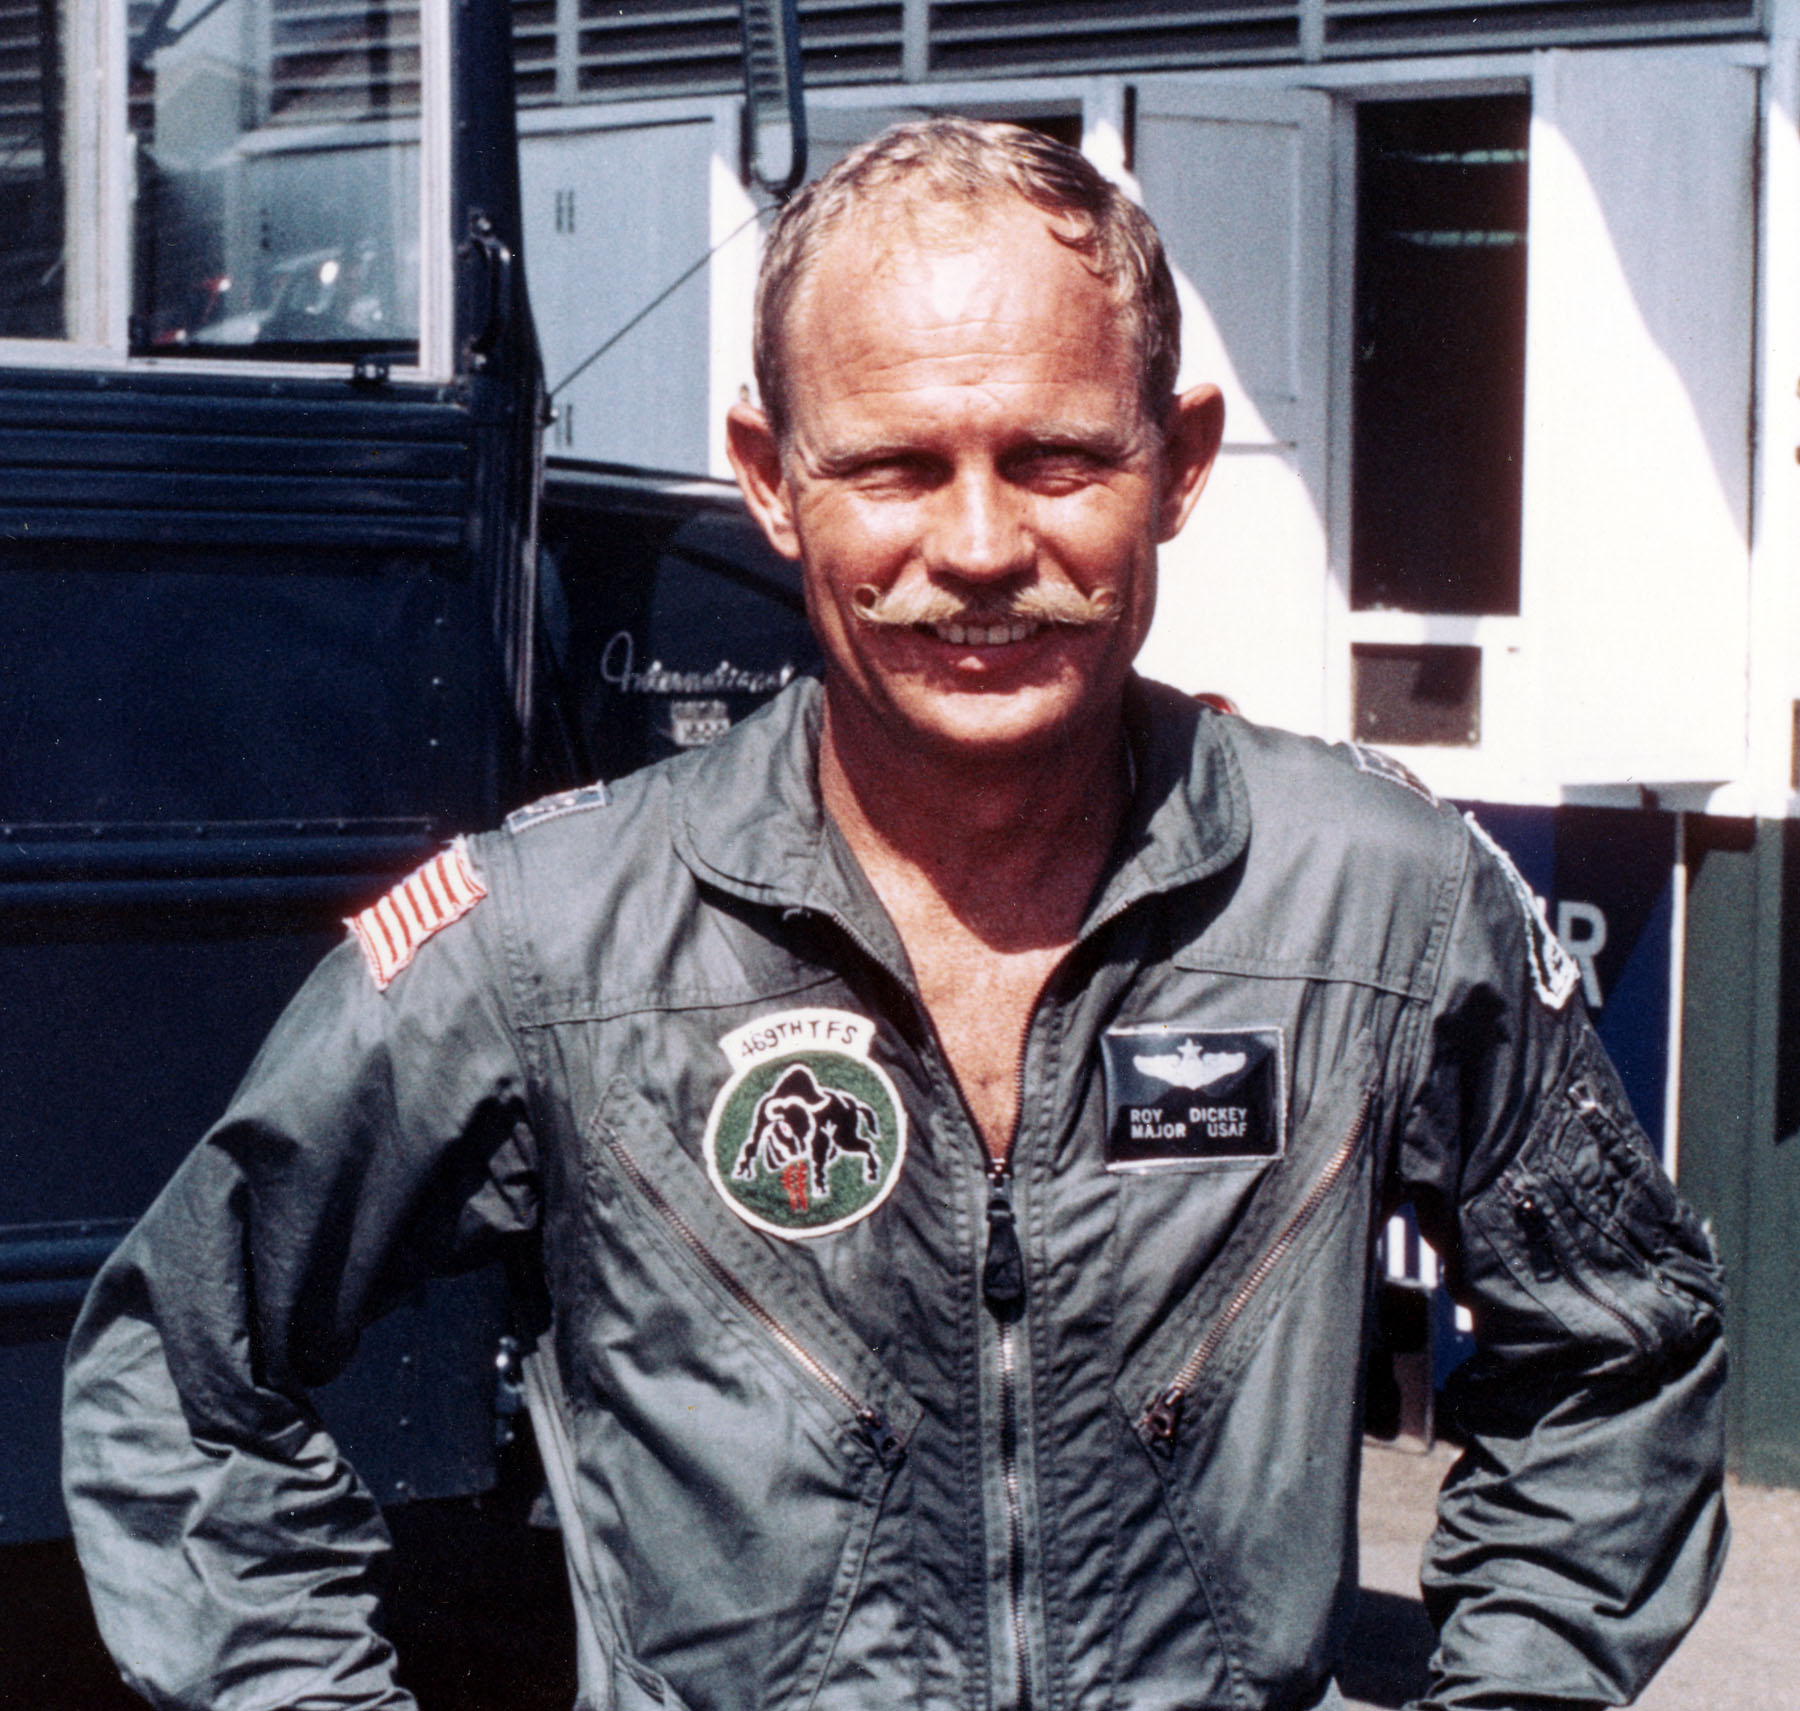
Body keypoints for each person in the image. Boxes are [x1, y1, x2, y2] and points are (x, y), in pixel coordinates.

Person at [63, 118, 1726, 1711]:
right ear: (772, 484)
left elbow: (1625, 1350)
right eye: (895, 468)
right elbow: (176, 1379)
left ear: (1182, 463)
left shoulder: (1380, 901)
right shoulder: (550, 940)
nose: (984, 545)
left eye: (1060, 458)